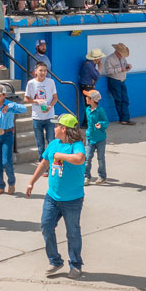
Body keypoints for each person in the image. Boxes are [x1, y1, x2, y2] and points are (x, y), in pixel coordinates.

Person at [26, 113, 86, 280]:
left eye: (57, 125)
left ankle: (75, 265)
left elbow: (80, 159)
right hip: (52, 197)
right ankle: (55, 260)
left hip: (72, 199)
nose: (54, 128)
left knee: (72, 232)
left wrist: (61, 156)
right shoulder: (53, 144)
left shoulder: (76, 145)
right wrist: (32, 182)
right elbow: (44, 162)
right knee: (46, 226)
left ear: (64, 129)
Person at [24, 62, 57, 158]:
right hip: (37, 117)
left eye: (45, 70)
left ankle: (52, 162)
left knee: (51, 140)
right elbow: (26, 99)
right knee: (40, 143)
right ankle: (42, 163)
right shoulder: (31, 83)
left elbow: (55, 98)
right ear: (35, 72)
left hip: (50, 116)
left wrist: (50, 107)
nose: (43, 72)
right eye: (40, 70)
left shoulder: (51, 82)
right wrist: (36, 101)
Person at [102, 43, 135, 125]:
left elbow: (124, 69)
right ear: (117, 51)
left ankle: (125, 118)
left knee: (125, 100)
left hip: (122, 80)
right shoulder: (109, 59)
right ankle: (123, 119)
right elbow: (108, 71)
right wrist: (120, 69)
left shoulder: (123, 59)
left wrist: (128, 67)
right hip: (114, 80)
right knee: (119, 100)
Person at [83, 90, 108, 185]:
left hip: (100, 139)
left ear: (92, 100)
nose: (86, 98)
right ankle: (86, 176)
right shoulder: (87, 110)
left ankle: (102, 176)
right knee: (87, 158)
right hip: (90, 138)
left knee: (100, 158)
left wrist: (101, 124)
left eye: (87, 97)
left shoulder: (100, 110)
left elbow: (106, 121)